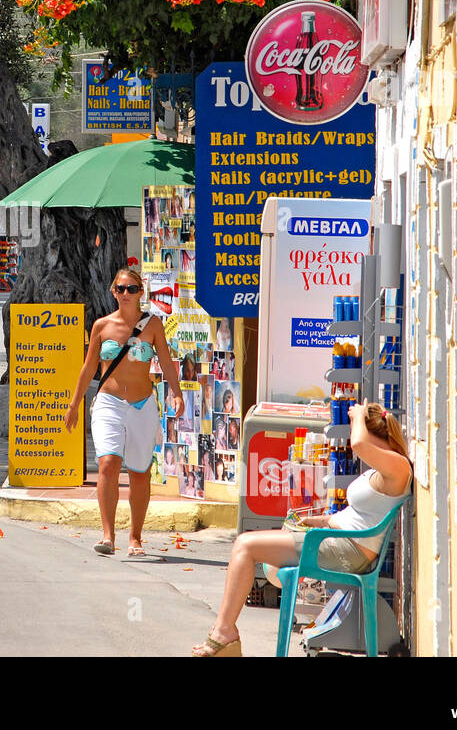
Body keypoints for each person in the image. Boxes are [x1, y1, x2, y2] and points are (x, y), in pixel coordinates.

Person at [192, 402, 412, 656]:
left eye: (355, 428)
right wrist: (319, 520)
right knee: (249, 546)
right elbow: (358, 515)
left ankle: (223, 633)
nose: (354, 435)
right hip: (339, 541)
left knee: (245, 545)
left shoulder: (398, 466)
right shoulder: (384, 469)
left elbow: (360, 444)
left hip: (349, 550)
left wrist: (359, 414)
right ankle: (225, 633)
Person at [65, 268, 183, 557]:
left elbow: (166, 363)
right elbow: (89, 367)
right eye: (120, 289)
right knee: (107, 463)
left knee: (139, 472)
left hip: (142, 404)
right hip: (108, 402)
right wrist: (74, 404)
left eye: (132, 289)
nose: (126, 294)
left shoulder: (153, 325)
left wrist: (177, 393)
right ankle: (108, 535)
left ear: (141, 292)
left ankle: (136, 537)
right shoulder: (102, 326)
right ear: (113, 291)